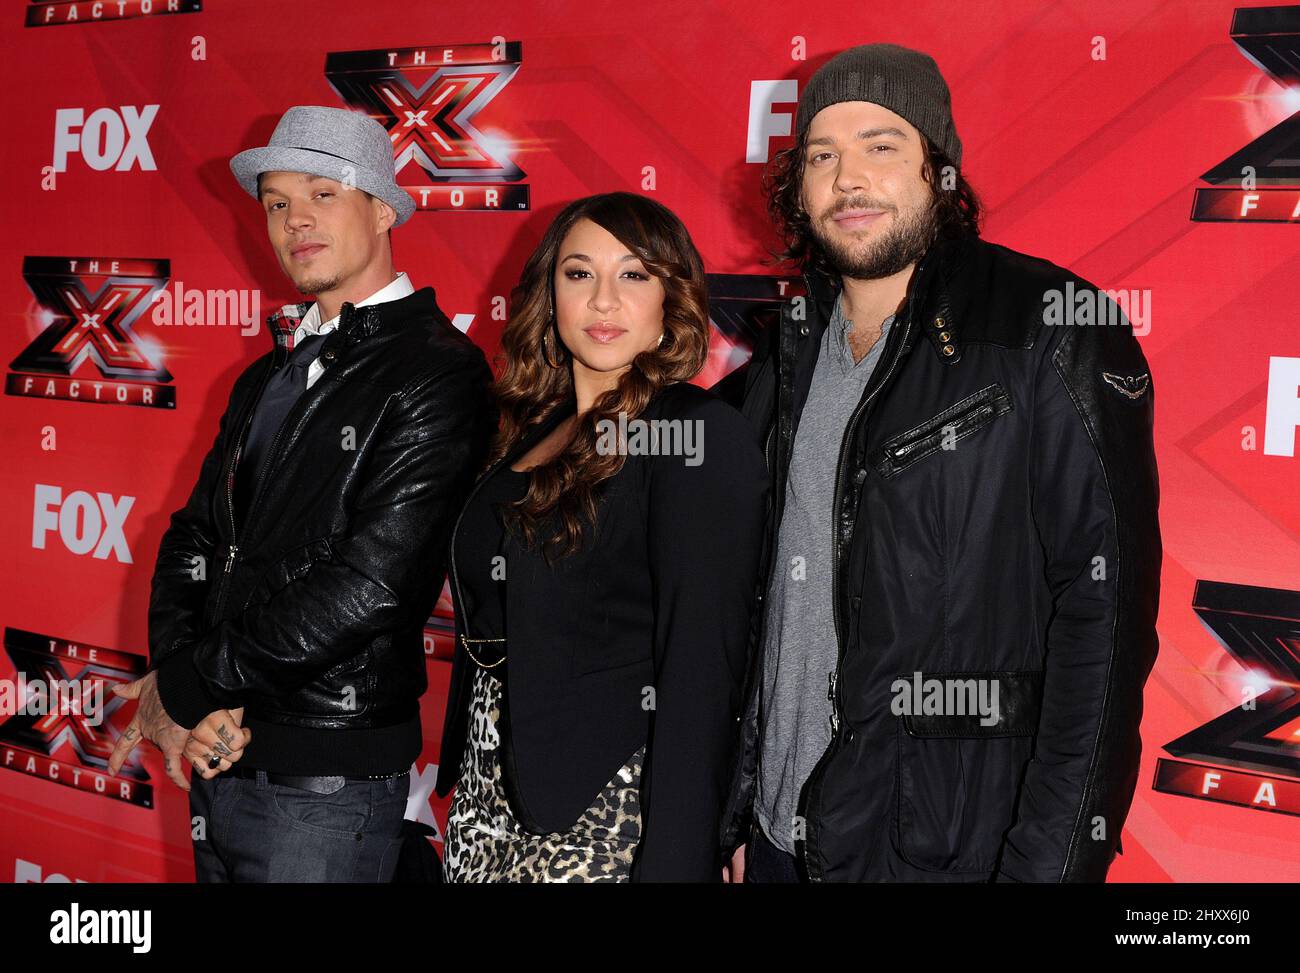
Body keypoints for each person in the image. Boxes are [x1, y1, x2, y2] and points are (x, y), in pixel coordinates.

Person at [717, 44, 1161, 882]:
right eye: (822, 155)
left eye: (881, 146)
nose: (848, 178)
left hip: (943, 850)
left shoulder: (1046, 327)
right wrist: (743, 814)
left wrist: (1053, 863)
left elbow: (1102, 624)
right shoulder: (787, 355)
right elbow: (762, 607)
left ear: (939, 169)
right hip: (780, 841)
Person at [108, 105, 496, 882]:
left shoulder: (438, 371)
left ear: (383, 208)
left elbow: (372, 584)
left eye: (322, 193)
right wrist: (192, 694)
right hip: (222, 762)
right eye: (278, 203)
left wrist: (186, 684)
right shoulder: (267, 374)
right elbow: (195, 537)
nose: (295, 221)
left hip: (327, 786)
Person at [435, 191, 769, 882]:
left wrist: (676, 861)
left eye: (635, 275)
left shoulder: (696, 434)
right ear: (549, 292)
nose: (604, 300)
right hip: (487, 794)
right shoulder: (529, 431)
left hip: (611, 804)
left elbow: (702, 668)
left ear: (671, 300)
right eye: (579, 273)